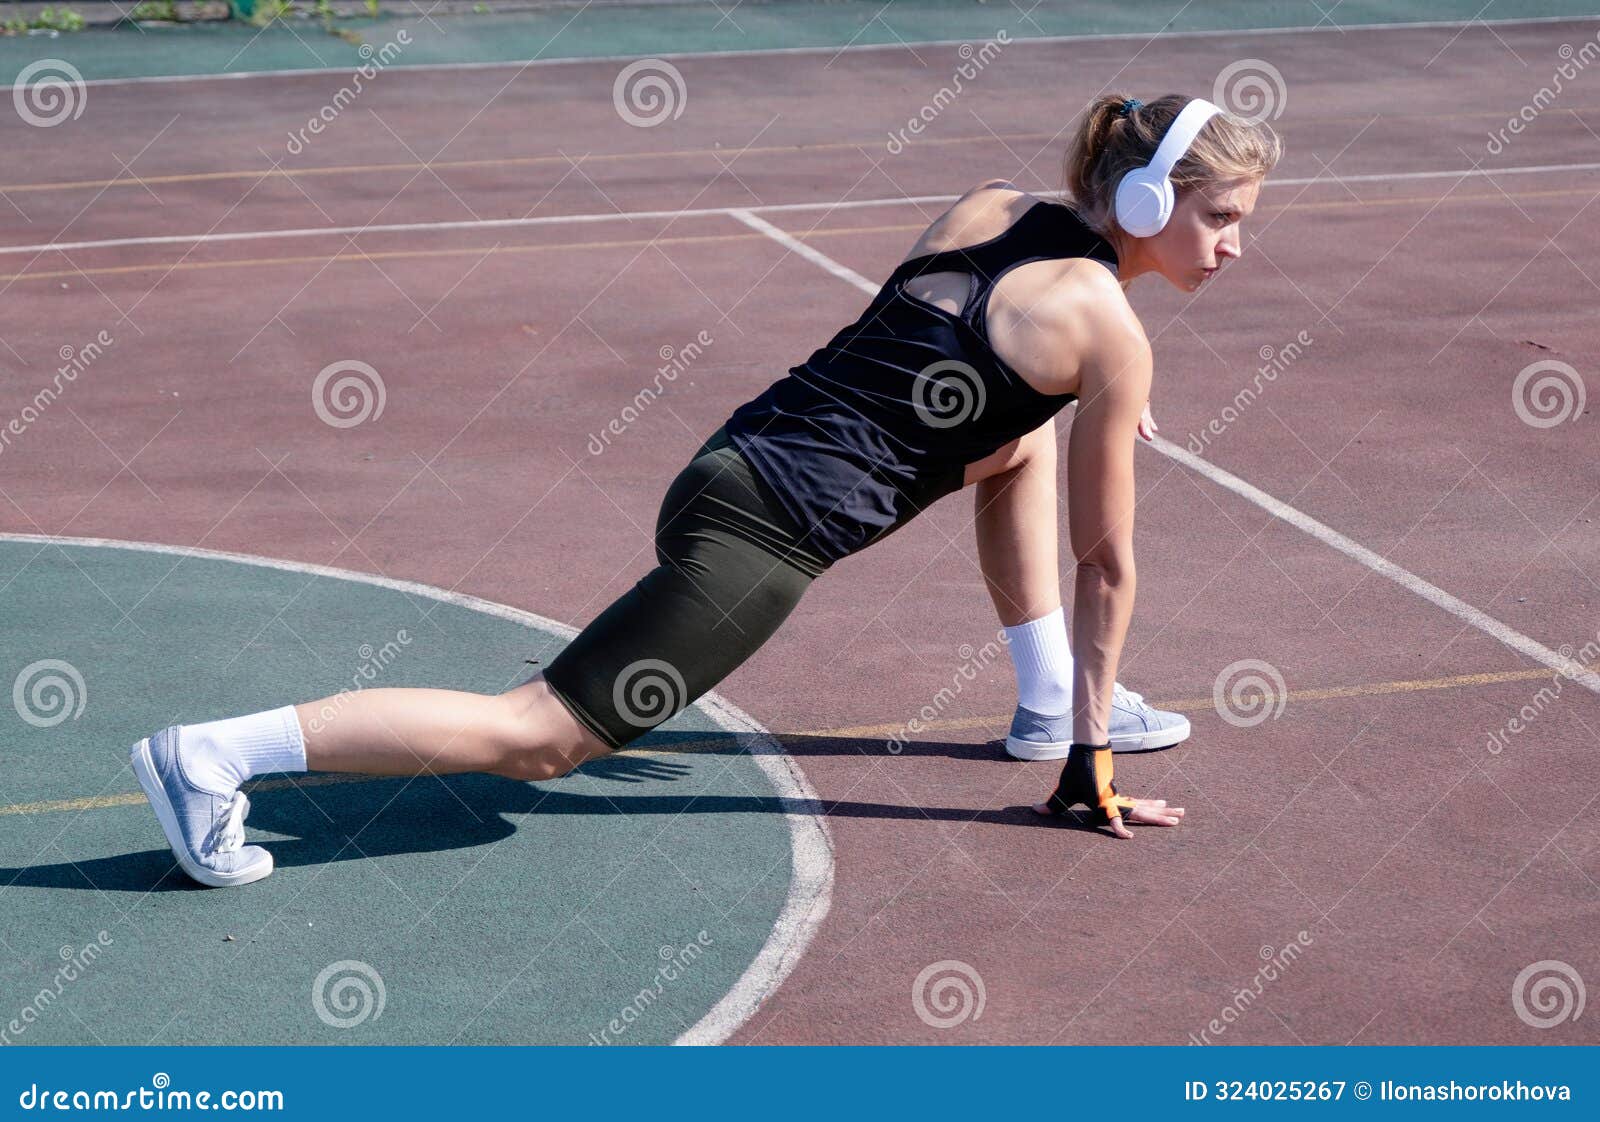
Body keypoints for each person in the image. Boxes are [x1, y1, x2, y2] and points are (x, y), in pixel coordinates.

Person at [130, 93, 1281, 886]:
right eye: (1218, 217)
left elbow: (935, 358)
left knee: (1019, 442)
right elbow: (1105, 563)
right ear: (1143, 202)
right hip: (766, 540)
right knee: (534, 738)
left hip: (726, 462)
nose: (1233, 248)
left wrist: (1079, 402)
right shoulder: (1110, 333)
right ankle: (216, 755)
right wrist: (1096, 756)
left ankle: (1038, 701)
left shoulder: (989, 203)